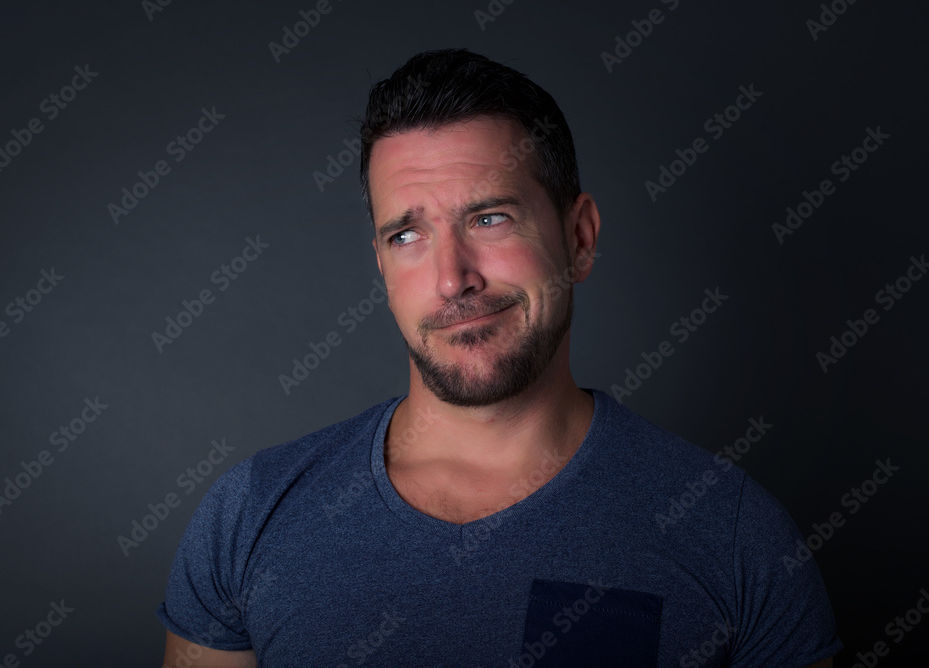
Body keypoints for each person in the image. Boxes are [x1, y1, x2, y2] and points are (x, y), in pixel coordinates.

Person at [157, 48, 842, 667]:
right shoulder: (250, 515)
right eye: (407, 234)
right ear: (381, 264)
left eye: (490, 218)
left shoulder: (732, 535)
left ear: (579, 238)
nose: (453, 278)